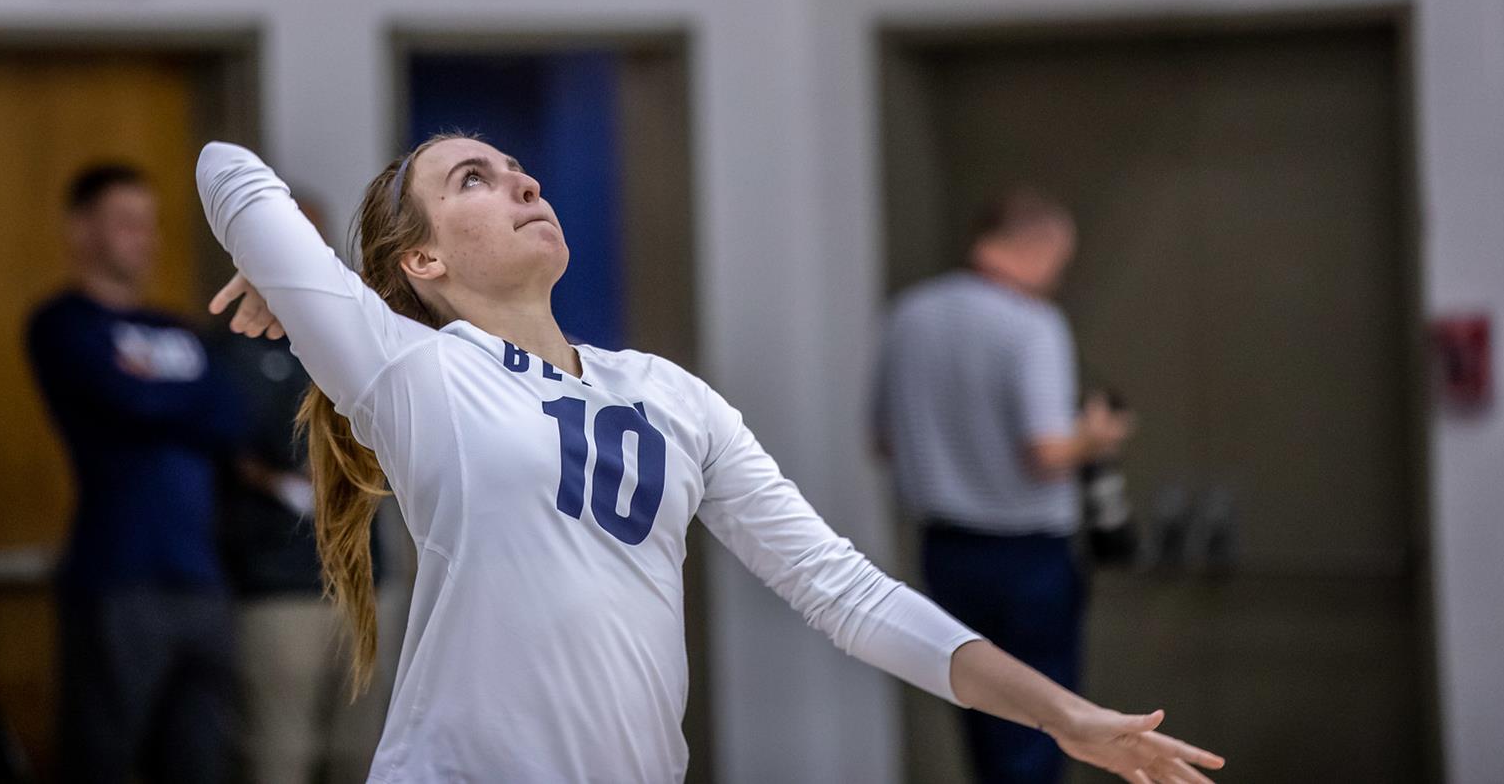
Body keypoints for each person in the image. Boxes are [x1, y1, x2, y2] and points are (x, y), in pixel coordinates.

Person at [199, 135, 1221, 784]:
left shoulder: (668, 395)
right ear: (422, 260)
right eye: (474, 178)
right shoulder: (415, 374)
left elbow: (843, 591)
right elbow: (222, 166)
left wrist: (1061, 712)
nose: (520, 180)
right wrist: (285, 270)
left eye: (518, 168)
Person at [874, 188, 1133, 784]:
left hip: (944, 551)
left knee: (979, 709)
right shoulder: (1033, 326)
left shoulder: (909, 314)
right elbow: (1045, 451)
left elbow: (882, 439)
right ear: (1036, 247)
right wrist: (1094, 437)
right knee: (1043, 723)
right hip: (1027, 558)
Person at [27, 163, 246, 784]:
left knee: (202, 762)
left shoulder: (175, 328)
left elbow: (231, 416)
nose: (143, 238)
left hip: (203, 578)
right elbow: (124, 401)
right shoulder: (65, 324)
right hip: (118, 577)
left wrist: (153, 397)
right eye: (125, 223)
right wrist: (173, 401)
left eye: (148, 225)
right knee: (105, 757)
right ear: (81, 231)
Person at [217, 189, 385, 784]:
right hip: (280, 586)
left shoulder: (361, 337)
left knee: (366, 758)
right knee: (281, 754)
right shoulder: (232, 347)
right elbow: (234, 449)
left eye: (311, 243)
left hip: (368, 580)